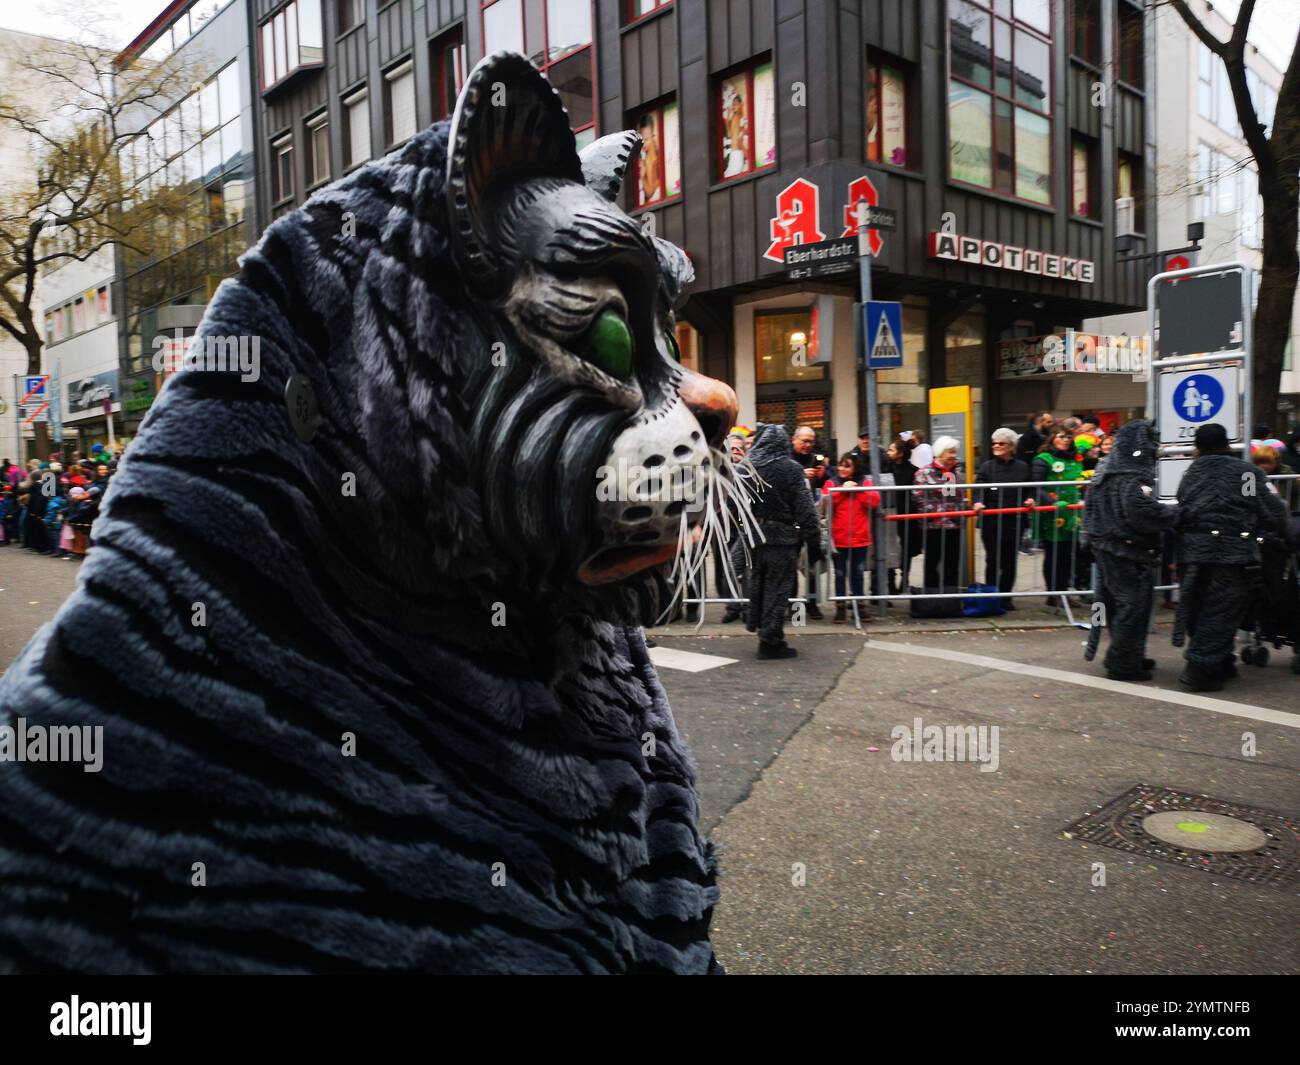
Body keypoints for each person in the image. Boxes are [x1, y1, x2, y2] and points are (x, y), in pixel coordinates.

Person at [1173, 422, 1290, 691]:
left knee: (1200, 606)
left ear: (1198, 448)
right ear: (1226, 443)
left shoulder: (1192, 472)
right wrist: (1280, 532)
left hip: (1192, 550)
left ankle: (1220, 662)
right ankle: (1199, 668)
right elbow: (1270, 509)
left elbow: (1184, 503)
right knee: (1222, 609)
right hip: (1230, 551)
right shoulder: (1245, 473)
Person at [1082, 420, 1178, 681]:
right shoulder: (1131, 474)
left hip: (1106, 544)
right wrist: (1174, 514)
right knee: (1133, 606)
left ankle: (1127, 656)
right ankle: (1124, 663)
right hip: (1126, 548)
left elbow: (1089, 507)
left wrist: (1090, 538)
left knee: (1118, 605)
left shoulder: (1105, 468)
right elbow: (1139, 511)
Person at [746, 423, 823, 658]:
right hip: (782, 538)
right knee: (778, 589)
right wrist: (814, 541)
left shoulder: (746, 468)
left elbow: (732, 505)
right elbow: (806, 510)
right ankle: (770, 641)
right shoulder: (791, 469)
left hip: (755, 536)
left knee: (758, 585)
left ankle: (761, 629)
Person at [820, 453, 880, 622]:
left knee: (858, 574)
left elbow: (874, 501)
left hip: (860, 538)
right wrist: (842, 490)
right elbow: (825, 503)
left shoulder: (864, 482)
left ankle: (859, 605)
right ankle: (840, 607)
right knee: (839, 574)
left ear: (856, 468)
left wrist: (857, 490)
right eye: (841, 465)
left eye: (847, 466)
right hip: (839, 538)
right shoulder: (832, 482)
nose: (842, 469)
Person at [973, 427, 1030, 607]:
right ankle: (991, 596)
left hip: (1014, 521)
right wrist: (978, 502)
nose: (996, 446)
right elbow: (979, 488)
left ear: (1011, 447)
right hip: (991, 522)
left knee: (1010, 561)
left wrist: (1030, 500)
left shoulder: (1022, 467)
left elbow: (1030, 489)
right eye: (994, 443)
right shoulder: (986, 467)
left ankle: (1006, 597)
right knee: (992, 560)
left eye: (1001, 443)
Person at [1031, 426, 1084, 600]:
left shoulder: (1076, 459)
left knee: (1069, 555)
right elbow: (1037, 488)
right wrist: (1053, 505)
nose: (1066, 440)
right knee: (1054, 554)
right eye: (1062, 436)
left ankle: (1064, 592)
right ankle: (1054, 594)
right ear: (1053, 438)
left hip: (1073, 514)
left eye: (1069, 437)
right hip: (1053, 515)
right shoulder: (1043, 459)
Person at [914, 436, 964, 589]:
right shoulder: (925, 473)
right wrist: (939, 513)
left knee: (952, 564)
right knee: (932, 563)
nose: (954, 455)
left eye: (955, 452)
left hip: (953, 525)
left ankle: (950, 598)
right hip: (933, 526)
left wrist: (962, 510)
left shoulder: (956, 473)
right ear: (940, 453)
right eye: (951, 452)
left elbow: (961, 497)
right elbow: (919, 498)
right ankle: (932, 597)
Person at [790, 425, 828, 618]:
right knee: (791, 564)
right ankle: (793, 606)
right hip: (791, 519)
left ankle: (812, 604)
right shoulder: (787, 459)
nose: (807, 445)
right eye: (804, 440)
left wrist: (823, 476)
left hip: (811, 520)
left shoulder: (816, 459)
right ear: (794, 440)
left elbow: (829, 484)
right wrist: (801, 475)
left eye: (810, 441)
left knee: (812, 563)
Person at [1252, 444, 1296, 513]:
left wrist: (1293, 512)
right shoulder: (1250, 473)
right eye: (1260, 462)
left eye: (1269, 462)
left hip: (1282, 512)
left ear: (1277, 462)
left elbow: (1295, 493)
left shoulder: (1287, 473)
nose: (1264, 466)